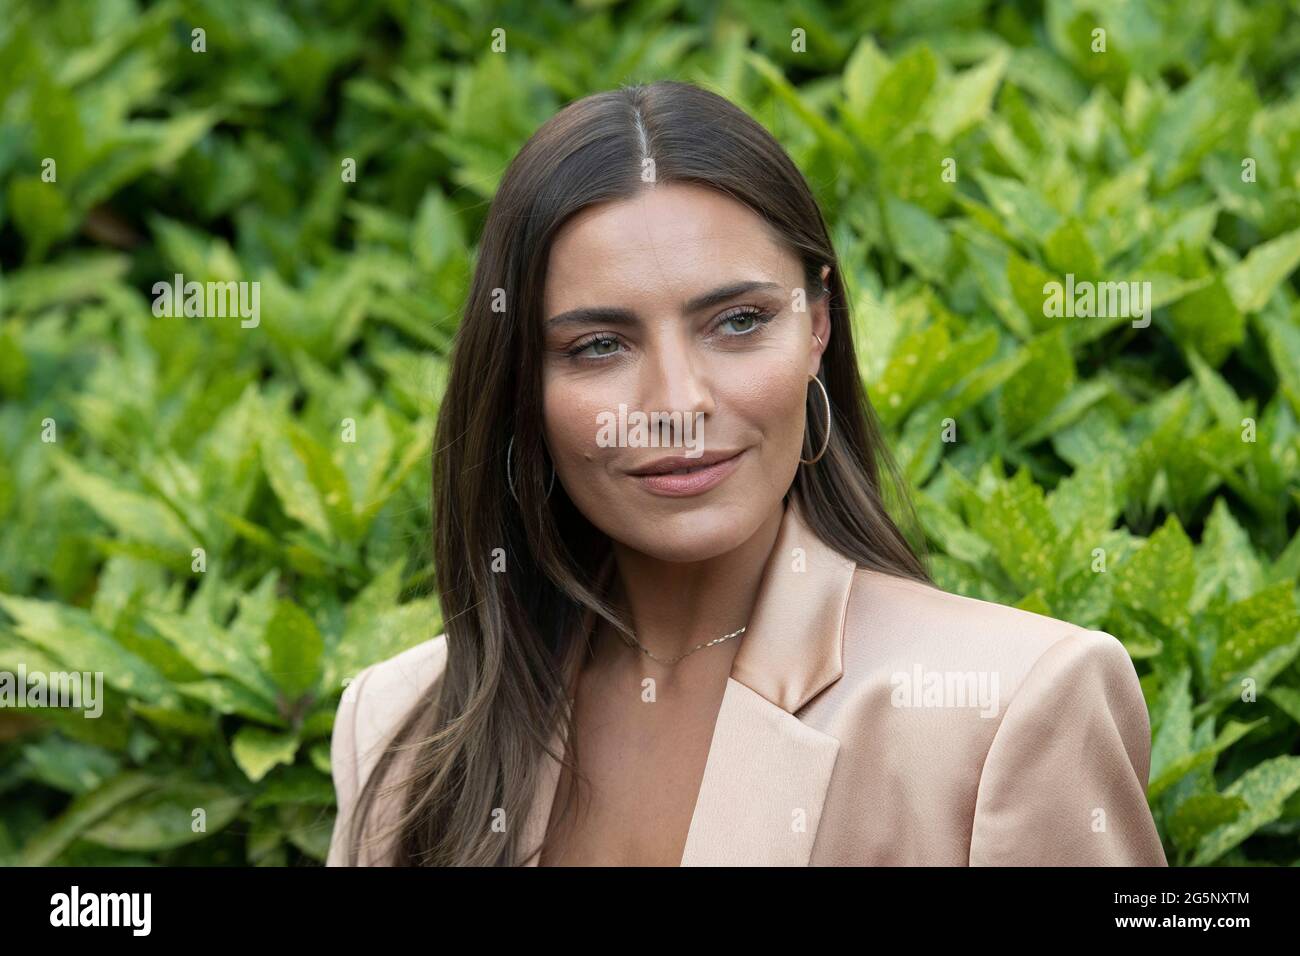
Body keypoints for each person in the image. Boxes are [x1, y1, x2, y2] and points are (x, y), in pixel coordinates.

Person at [326, 80, 1167, 867]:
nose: (678, 402)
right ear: (521, 384)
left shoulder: (1012, 705)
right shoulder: (402, 727)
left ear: (818, 328)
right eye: (599, 345)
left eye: (736, 322)